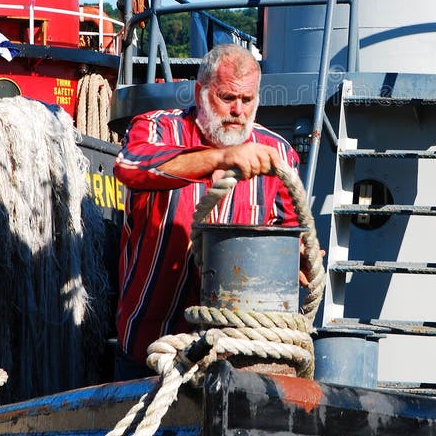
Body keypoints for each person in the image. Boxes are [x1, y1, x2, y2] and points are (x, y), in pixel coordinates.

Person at [113, 43, 302, 380]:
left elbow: (290, 232)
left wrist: (297, 255)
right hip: (152, 345)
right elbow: (130, 166)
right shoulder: (156, 129)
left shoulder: (278, 155)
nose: (238, 111)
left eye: (247, 101)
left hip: (236, 351)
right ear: (201, 92)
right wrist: (220, 158)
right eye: (227, 98)